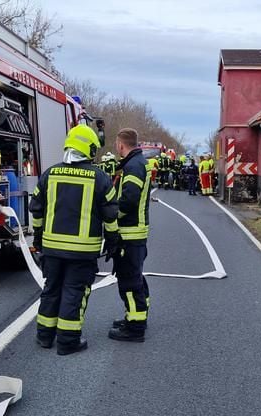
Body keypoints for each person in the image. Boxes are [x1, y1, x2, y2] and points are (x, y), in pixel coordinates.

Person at [30, 125, 121, 356]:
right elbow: (111, 215)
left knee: (51, 289)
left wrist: (38, 241)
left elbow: (37, 212)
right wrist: (113, 242)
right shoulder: (100, 178)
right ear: (89, 149)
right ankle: (68, 341)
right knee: (74, 292)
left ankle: (44, 335)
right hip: (82, 251)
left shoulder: (49, 174)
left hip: (51, 249)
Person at [108, 128, 151, 342]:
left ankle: (134, 327)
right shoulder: (137, 163)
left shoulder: (133, 166)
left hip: (129, 233)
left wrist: (112, 217)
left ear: (121, 144)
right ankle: (136, 318)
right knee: (136, 277)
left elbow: (129, 200)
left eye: (116, 144)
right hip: (135, 233)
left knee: (129, 281)